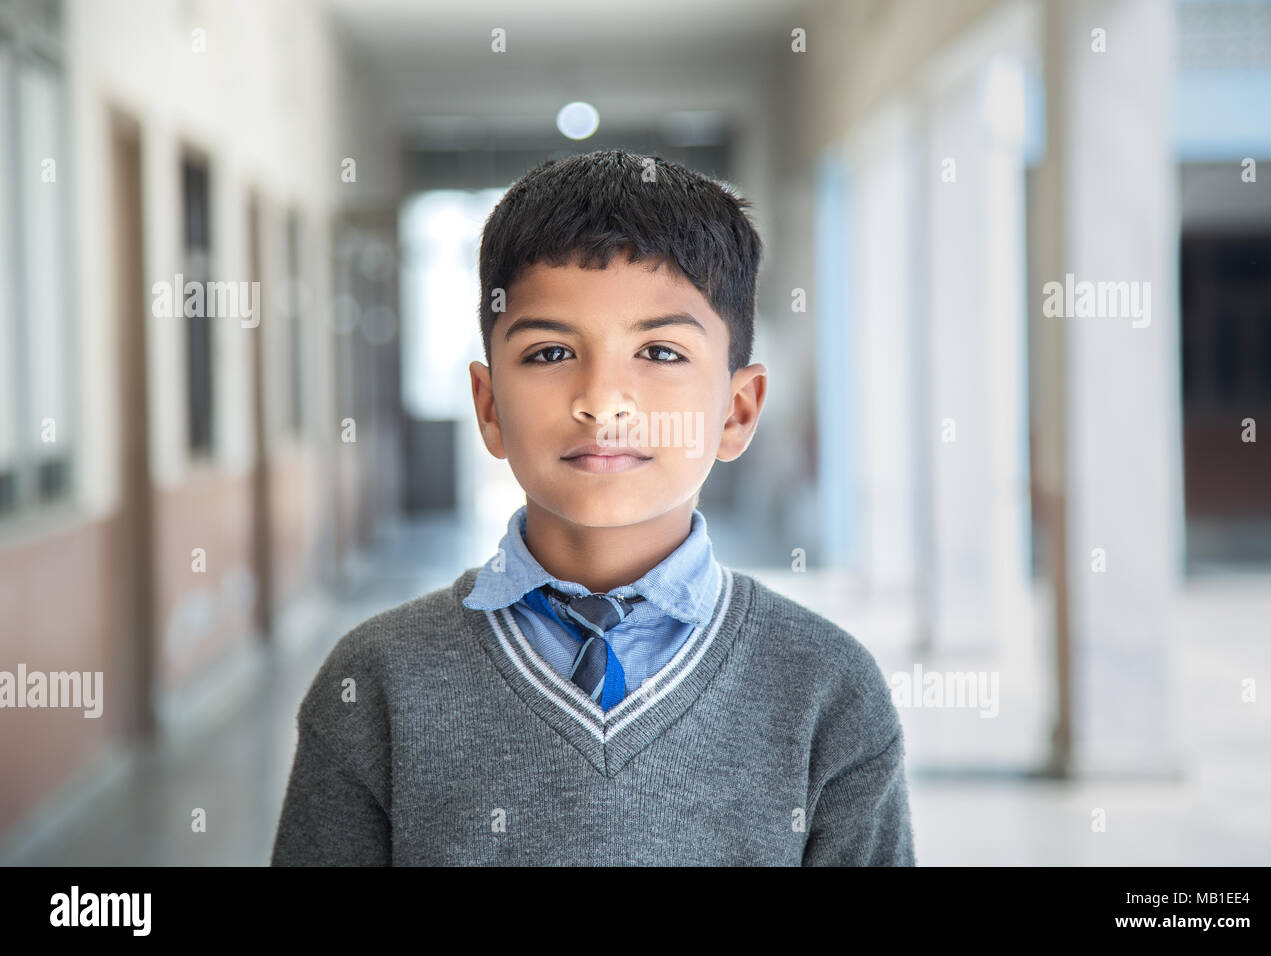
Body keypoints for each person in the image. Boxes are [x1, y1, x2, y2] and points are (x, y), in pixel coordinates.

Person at [271, 148, 914, 866]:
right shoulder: (375, 686)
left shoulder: (827, 690)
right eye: (549, 353)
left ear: (737, 411)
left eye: (662, 353)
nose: (602, 400)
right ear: (489, 407)